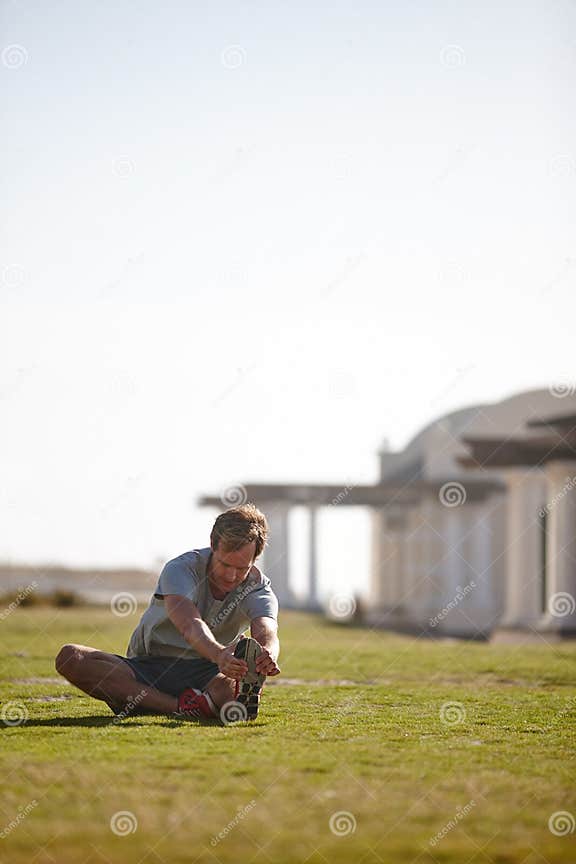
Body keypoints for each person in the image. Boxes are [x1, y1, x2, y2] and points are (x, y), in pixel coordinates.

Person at [55, 503, 280, 722]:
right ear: (212, 544)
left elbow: (266, 629)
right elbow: (189, 624)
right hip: (147, 668)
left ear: (255, 559)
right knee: (71, 658)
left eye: (242, 569)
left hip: (208, 673)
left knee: (229, 684)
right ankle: (187, 707)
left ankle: (218, 699)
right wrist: (220, 654)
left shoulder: (258, 586)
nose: (231, 576)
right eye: (225, 564)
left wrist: (267, 654)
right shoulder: (181, 569)